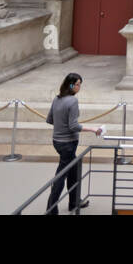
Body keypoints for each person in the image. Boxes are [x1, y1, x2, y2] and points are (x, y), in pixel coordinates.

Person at [45, 72, 104, 214]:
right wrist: (93, 129)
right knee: (61, 176)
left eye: (79, 84)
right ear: (70, 85)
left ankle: (74, 202)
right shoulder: (72, 101)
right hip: (68, 144)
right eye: (77, 84)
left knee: (73, 170)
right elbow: (73, 126)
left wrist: (61, 123)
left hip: (57, 142)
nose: (79, 87)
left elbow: (49, 120)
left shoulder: (57, 99)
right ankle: (51, 209)